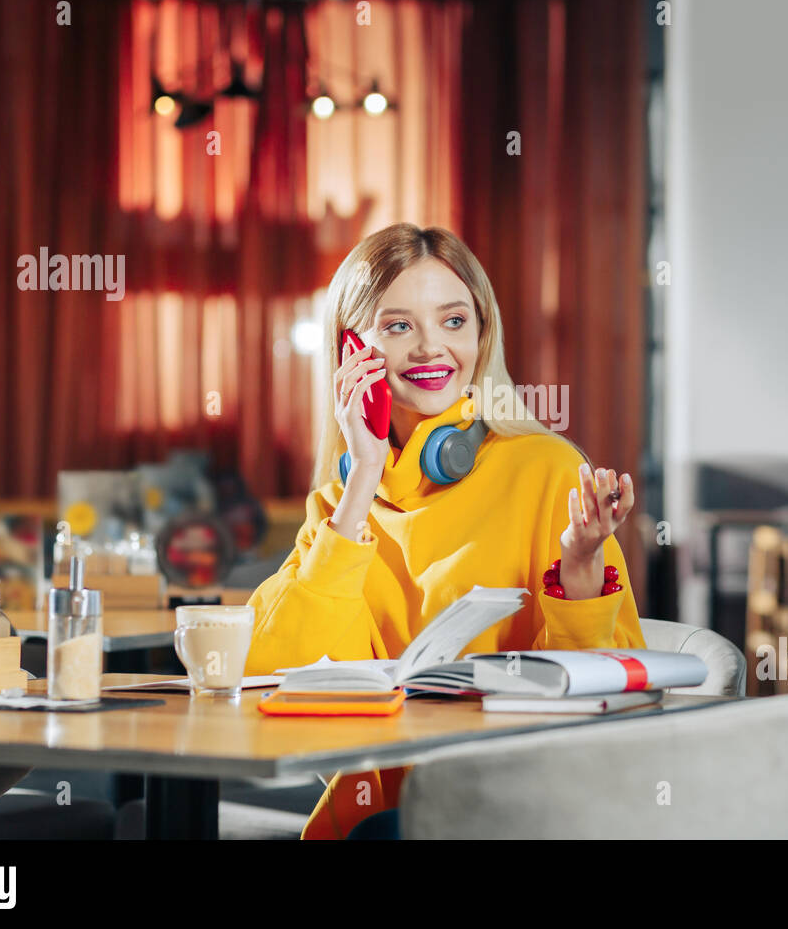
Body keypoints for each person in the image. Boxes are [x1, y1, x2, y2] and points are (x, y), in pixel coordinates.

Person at [244, 223, 645, 839]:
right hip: (378, 816)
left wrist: (581, 568)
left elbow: (608, 696)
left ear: (483, 335)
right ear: (354, 351)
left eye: (454, 321)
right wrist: (362, 480)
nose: (432, 348)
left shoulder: (547, 468)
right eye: (399, 326)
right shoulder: (339, 507)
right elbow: (272, 675)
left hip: (511, 806)